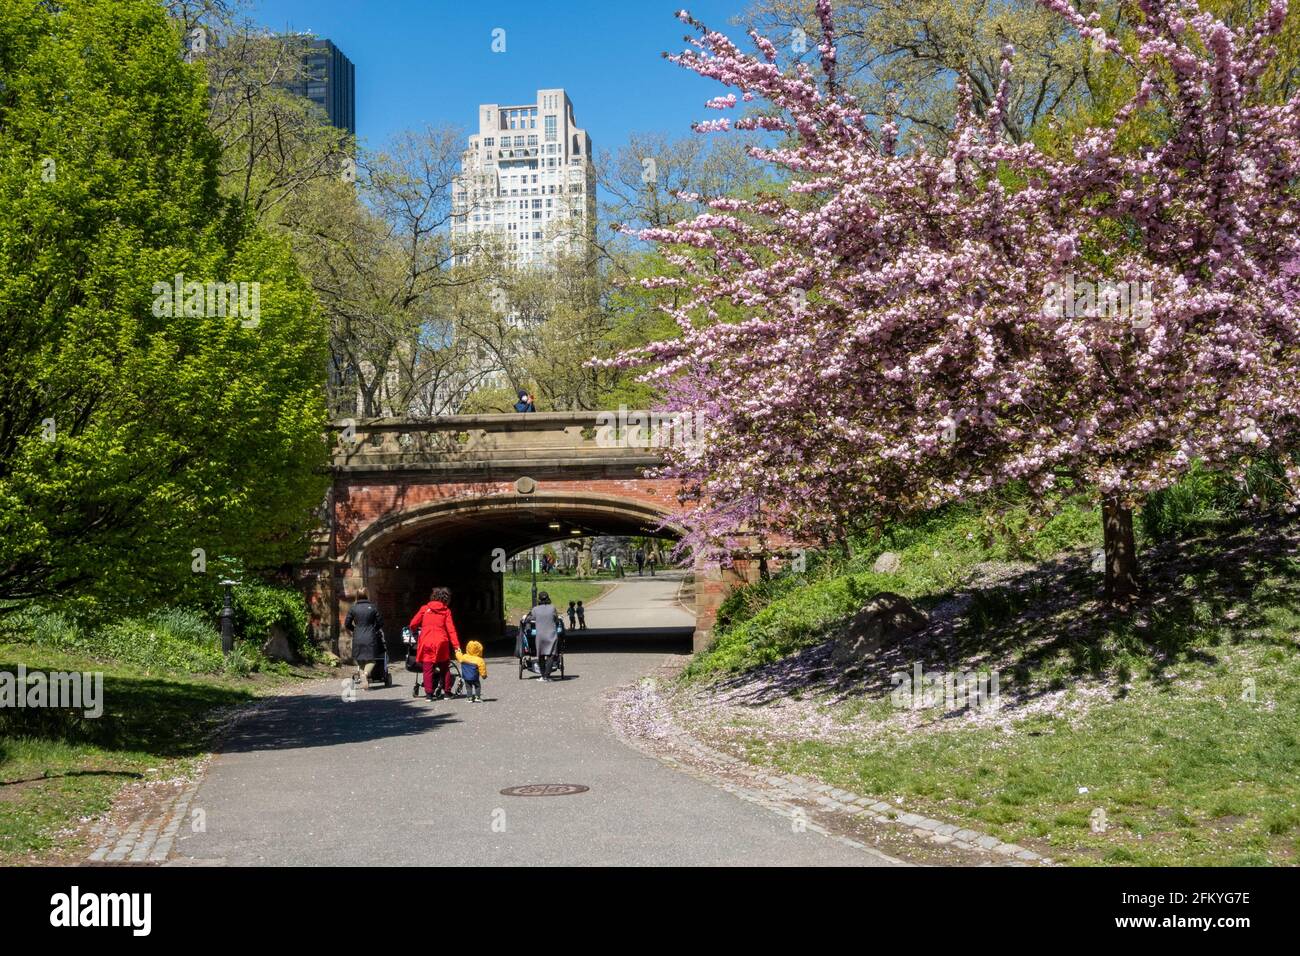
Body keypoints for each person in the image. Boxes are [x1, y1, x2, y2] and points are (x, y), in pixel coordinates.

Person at [409, 586, 462, 700]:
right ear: (446, 599)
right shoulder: (446, 611)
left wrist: (416, 631)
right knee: (445, 668)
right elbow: (451, 630)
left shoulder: (425, 608)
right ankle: (447, 692)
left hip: (427, 641)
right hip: (441, 642)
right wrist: (456, 646)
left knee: (427, 669)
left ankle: (429, 694)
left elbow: (413, 623)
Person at [345, 589, 385, 688]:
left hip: (358, 636)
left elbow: (347, 623)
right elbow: (380, 622)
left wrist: (354, 629)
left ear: (357, 596)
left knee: (360, 659)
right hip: (370, 637)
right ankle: (365, 675)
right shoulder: (373, 608)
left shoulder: (353, 608)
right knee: (371, 660)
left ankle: (363, 678)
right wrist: (374, 629)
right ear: (367, 595)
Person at [530, 591, 561, 682]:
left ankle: (542, 676)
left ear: (539, 599)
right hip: (551, 634)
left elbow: (532, 618)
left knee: (541, 655)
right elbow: (556, 619)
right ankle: (547, 676)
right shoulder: (552, 608)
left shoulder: (535, 609)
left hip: (540, 635)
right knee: (551, 655)